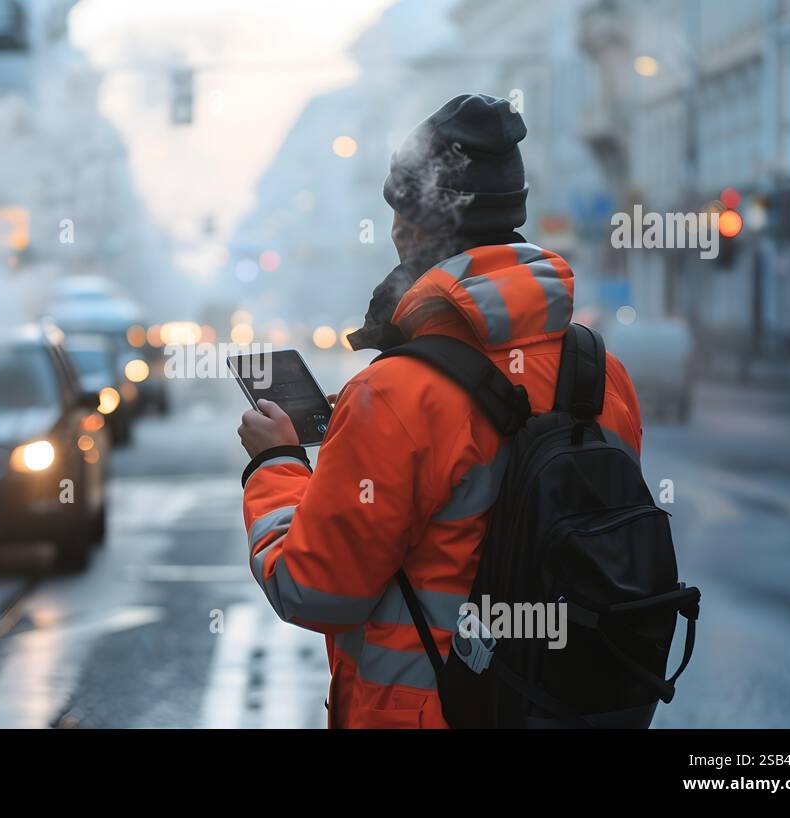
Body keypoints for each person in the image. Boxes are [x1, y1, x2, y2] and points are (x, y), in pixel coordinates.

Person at [235, 94, 644, 729]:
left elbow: (314, 588)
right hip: (563, 707)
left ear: (418, 227)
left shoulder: (395, 396)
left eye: (401, 214)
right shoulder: (600, 373)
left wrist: (276, 464)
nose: (395, 232)